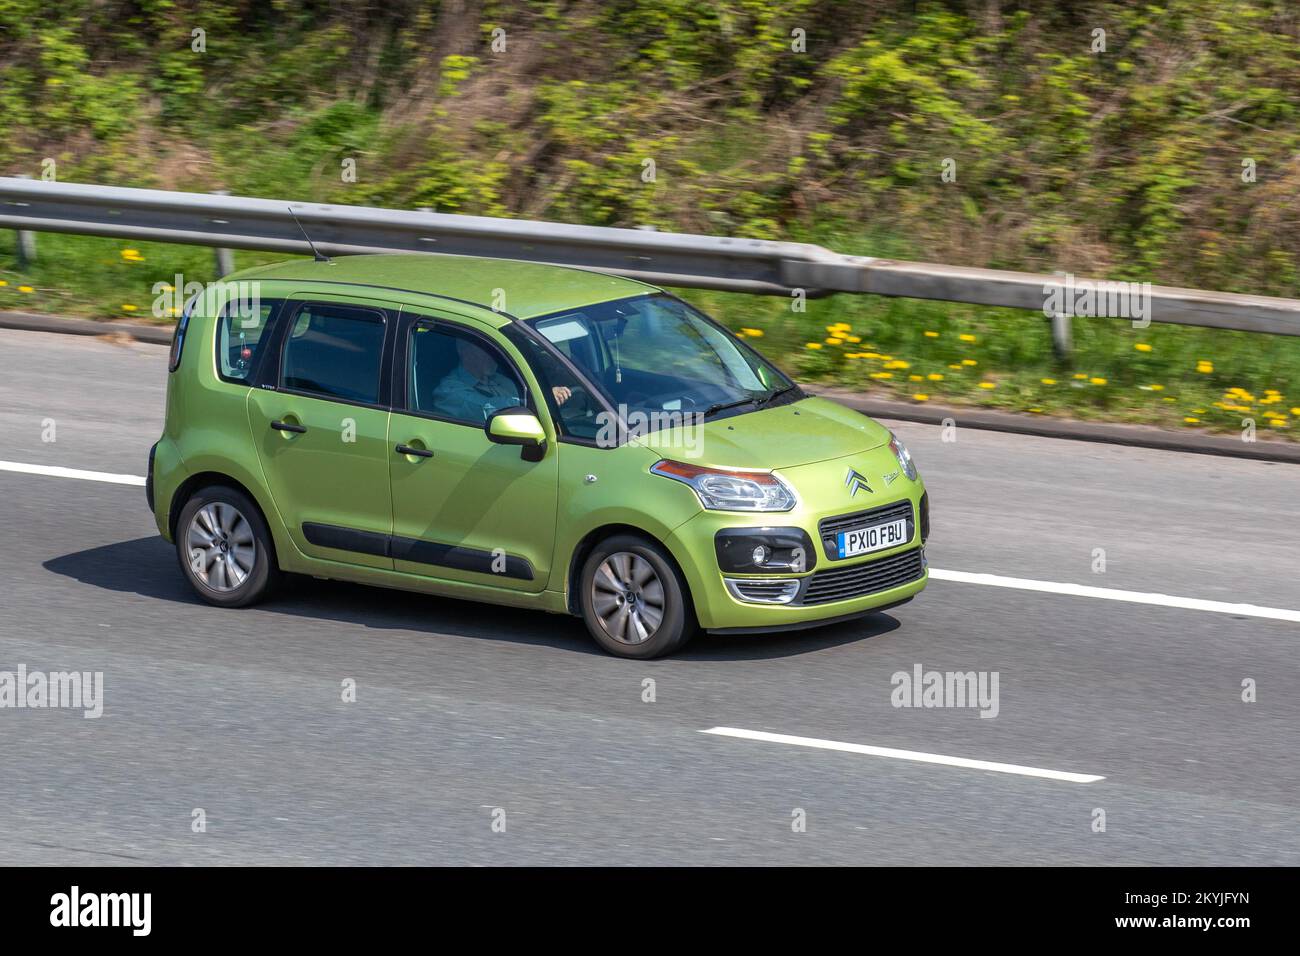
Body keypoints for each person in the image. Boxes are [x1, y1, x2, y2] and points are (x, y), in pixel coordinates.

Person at [432, 337, 572, 422]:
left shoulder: (503, 381)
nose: (494, 355)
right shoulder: (448, 392)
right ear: (465, 351)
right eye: (488, 350)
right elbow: (487, 409)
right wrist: (541, 400)